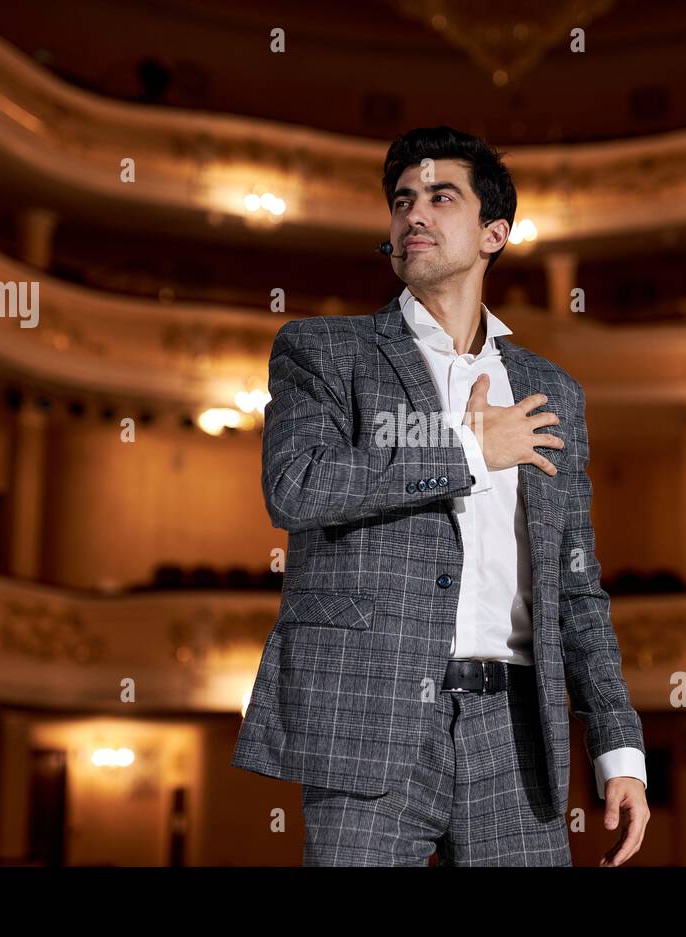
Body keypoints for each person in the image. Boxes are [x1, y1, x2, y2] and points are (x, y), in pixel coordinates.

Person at [233, 125, 649, 866]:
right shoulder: (323, 351)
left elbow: (577, 590)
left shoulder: (553, 391)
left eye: (439, 197)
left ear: (495, 233)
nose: (413, 215)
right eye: (401, 201)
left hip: (519, 734)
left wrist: (619, 748)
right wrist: (467, 451)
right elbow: (297, 488)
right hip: (368, 720)